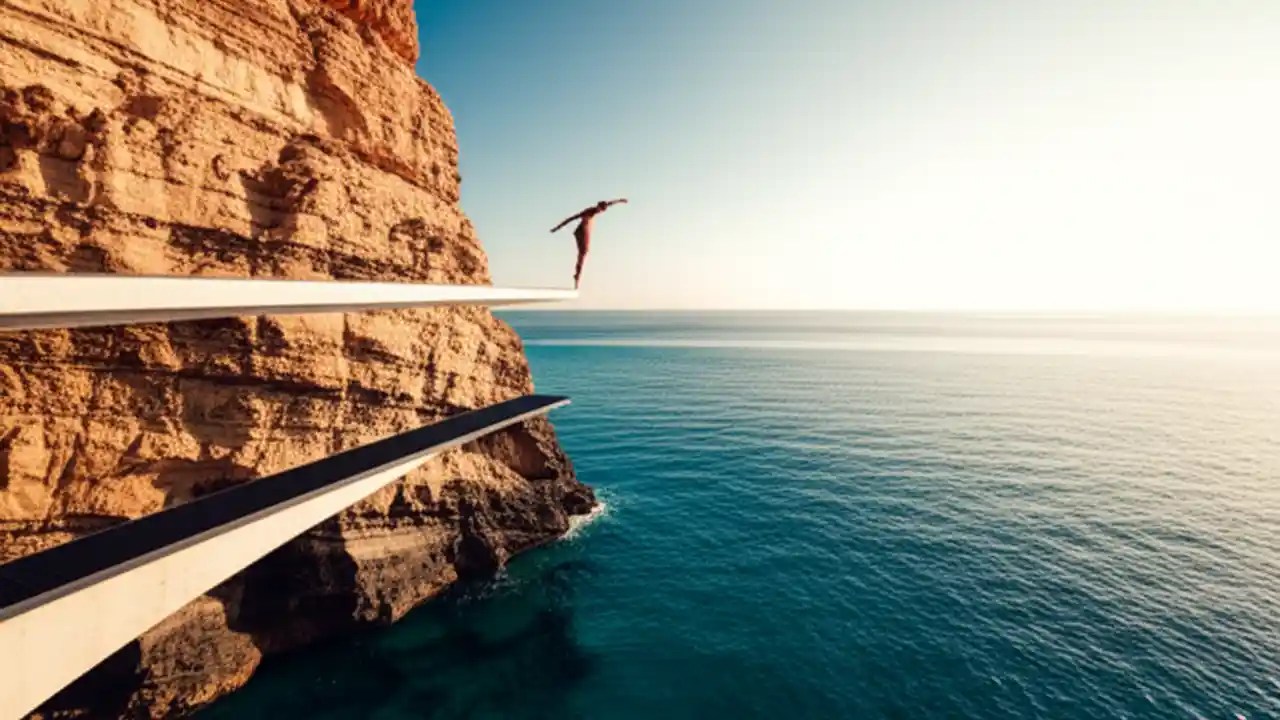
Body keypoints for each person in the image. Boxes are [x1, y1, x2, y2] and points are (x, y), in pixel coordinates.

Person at [550, 198, 628, 289]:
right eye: (600, 210)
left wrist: (620, 201)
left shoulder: (598, 209)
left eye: (602, 211)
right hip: (581, 232)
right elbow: (571, 219)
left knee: (584, 253)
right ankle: (577, 277)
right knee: (583, 252)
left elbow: (610, 203)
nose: (600, 212)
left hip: (584, 231)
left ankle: (577, 276)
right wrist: (557, 228)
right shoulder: (588, 211)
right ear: (598, 206)